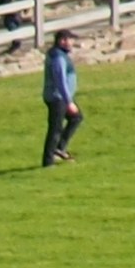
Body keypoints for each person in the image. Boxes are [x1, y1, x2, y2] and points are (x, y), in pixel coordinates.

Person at [40, 31, 80, 168]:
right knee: (55, 129)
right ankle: (48, 161)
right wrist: (68, 101)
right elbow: (60, 80)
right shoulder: (58, 57)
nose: (72, 43)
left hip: (61, 97)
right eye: (70, 40)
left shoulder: (60, 55)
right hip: (58, 98)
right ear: (62, 41)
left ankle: (59, 148)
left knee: (76, 118)